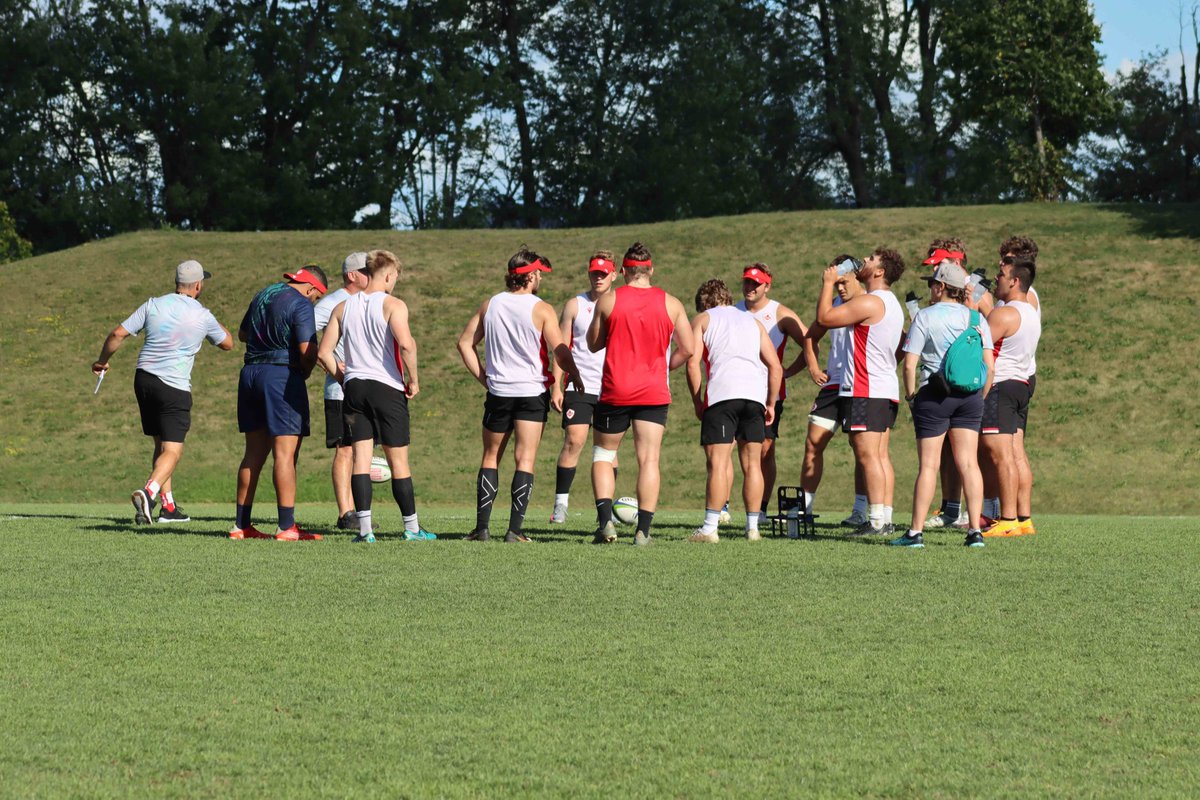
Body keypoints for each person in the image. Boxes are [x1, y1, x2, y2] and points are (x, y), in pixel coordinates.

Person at [92, 260, 234, 525]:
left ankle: (168, 508)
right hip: (173, 386)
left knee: (160, 444)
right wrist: (210, 320)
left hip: (144, 380)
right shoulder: (203, 315)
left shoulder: (153, 304)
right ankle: (149, 493)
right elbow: (228, 343)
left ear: (177, 283)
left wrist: (102, 362)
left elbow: (117, 334)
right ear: (198, 285)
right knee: (173, 450)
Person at [457, 248, 583, 543]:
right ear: (531, 276)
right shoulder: (542, 309)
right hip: (531, 393)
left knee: (490, 457)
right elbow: (560, 350)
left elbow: (464, 343)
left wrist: (485, 379)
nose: (541, 279)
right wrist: (574, 374)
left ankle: (482, 528)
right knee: (525, 459)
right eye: (539, 274)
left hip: (499, 393)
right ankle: (515, 531)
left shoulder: (490, 304)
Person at [317, 250, 434, 544]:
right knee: (399, 461)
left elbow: (324, 352)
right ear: (389, 275)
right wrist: (413, 380)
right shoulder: (393, 304)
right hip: (386, 388)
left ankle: (365, 531)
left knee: (361, 460)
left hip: (354, 389)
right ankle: (412, 529)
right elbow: (406, 345)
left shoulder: (342, 307)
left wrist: (343, 378)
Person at [587, 241, 695, 545]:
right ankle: (643, 532)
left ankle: (606, 525)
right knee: (649, 459)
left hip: (616, 390)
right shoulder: (672, 304)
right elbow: (688, 348)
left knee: (603, 455)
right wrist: (664, 366)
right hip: (653, 391)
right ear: (651, 270)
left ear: (623, 271)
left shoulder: (608, 300)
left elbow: (593, 344)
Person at [894, 261, 995, 548]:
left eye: (932, 284)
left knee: (928, 466)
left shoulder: (925, 317)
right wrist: (980, 397)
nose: (930, 289)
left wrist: (911, 396)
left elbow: (909, 364)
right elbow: (990, 366)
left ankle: (915, 533)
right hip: (970, 396)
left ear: (940, 287)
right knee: (969, 463)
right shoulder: (976, 319)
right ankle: (974, 532)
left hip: (934, 394)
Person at [231, 264, 328, 541]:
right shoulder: (301, 303)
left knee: (253, 453)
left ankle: (241, 526)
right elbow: (307, 349)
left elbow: (243, 334)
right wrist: (305, 370)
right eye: (317, 297)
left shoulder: (263, 294)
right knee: (285, 454)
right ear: (311, 288)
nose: (314, 301)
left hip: (250, 374)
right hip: (280, 376)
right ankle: (287, 527)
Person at [815, 248, 905, 536]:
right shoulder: (892, 303)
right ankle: (884, 518)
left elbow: (825, 318)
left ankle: (876, 521)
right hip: (884, 387)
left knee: (868, 456)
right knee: (880, 455)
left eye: (871, 259)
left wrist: (828, 282)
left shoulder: (870, 301)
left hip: (865, 389)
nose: (864, 260)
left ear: (880, 271)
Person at [686, 279, 782, 542]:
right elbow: (775, 366)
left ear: (704, 303)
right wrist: (770, 403)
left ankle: (710, 529)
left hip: (722, 395)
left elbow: (693, 364)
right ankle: (753, 528)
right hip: (754, 397)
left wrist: (697, 401)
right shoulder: (754, 322)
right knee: (753, 465)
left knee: (718, 463)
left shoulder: (703, 319)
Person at [548, 251, 618, 524]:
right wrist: (556, 386)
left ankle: (605, 510)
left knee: (607, 450)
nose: (598, 278)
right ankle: (560, 505)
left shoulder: (620, 304)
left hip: (612, 387)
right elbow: (561, 347)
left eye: (603, 273)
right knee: (575, 440)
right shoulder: (575, 305)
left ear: (614, 275)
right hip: (579, 386)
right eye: (594, 273)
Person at [734, 263, 807, 523]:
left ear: (767, 285)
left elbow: (810, 344)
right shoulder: (733, 311)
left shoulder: (780, 313)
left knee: (765, 451)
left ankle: (761, 509)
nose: (750, 287)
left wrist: (787, 372)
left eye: (756, 283)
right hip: (736, 390)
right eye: (747, 282)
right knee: (733, 449)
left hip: (768, 395)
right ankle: (726, 507)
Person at [800, 255, 866, 525]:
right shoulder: (834, 305)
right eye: (835, 284)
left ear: (857, 278)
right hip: (833, 385)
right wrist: (814, 368)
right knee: (813, 444)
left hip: (860, 386)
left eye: (843, 282)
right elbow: (810, 336)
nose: (839, 288)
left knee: (862, 450)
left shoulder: (870, 303)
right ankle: (804, 509)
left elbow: (900, 341)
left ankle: (860, 511)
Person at [980, 235, 1042, 523]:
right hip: (1020, 382)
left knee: (1000, 454)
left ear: (1016, 279)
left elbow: (977, 346)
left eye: (1003, 270)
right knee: (1015, 453)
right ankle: (1022, 518)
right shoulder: (1029, 307)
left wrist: (979, 307)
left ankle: (1006, 519)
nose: (997, 276)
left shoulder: (1007, 311)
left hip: (1001, 384)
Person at [314, 252, 369, 531]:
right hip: (339, 390)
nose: (371, 274)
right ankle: (345, 513)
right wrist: (332, 366)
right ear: (351, 275)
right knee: (345, 449)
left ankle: (360, 511)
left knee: (361, 449)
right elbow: (303, 335)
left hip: (365, 388)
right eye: (366, 270)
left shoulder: (370, 301)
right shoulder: (332, 302)